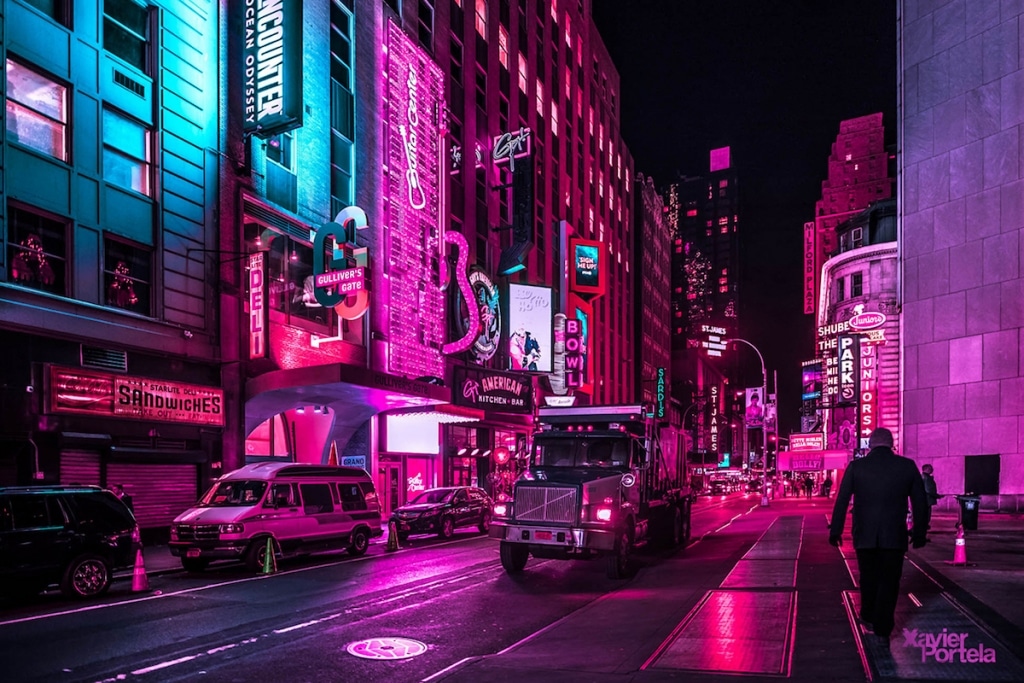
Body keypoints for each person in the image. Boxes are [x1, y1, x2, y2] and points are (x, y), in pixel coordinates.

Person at [829, 428, 928, 648]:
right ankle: (883, 627)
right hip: (894, 535)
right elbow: (920, 503)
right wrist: (920, 532)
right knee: (890, 581)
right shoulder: (907, 466)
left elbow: (842, 500)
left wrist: (835, 530)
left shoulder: (857, 467)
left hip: (865, 535)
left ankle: (868, 614)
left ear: (870, 445)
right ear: (891, 444)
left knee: (868, 577)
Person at [921, 464, 941, 530]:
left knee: (924, 516)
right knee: (926, 516)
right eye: (931, 468)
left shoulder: (923, 477)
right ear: (926, 469)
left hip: (924, 500)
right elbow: (928, 490)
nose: (932, 470)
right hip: (927, 500)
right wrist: (936, 496)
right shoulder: (927, 478)